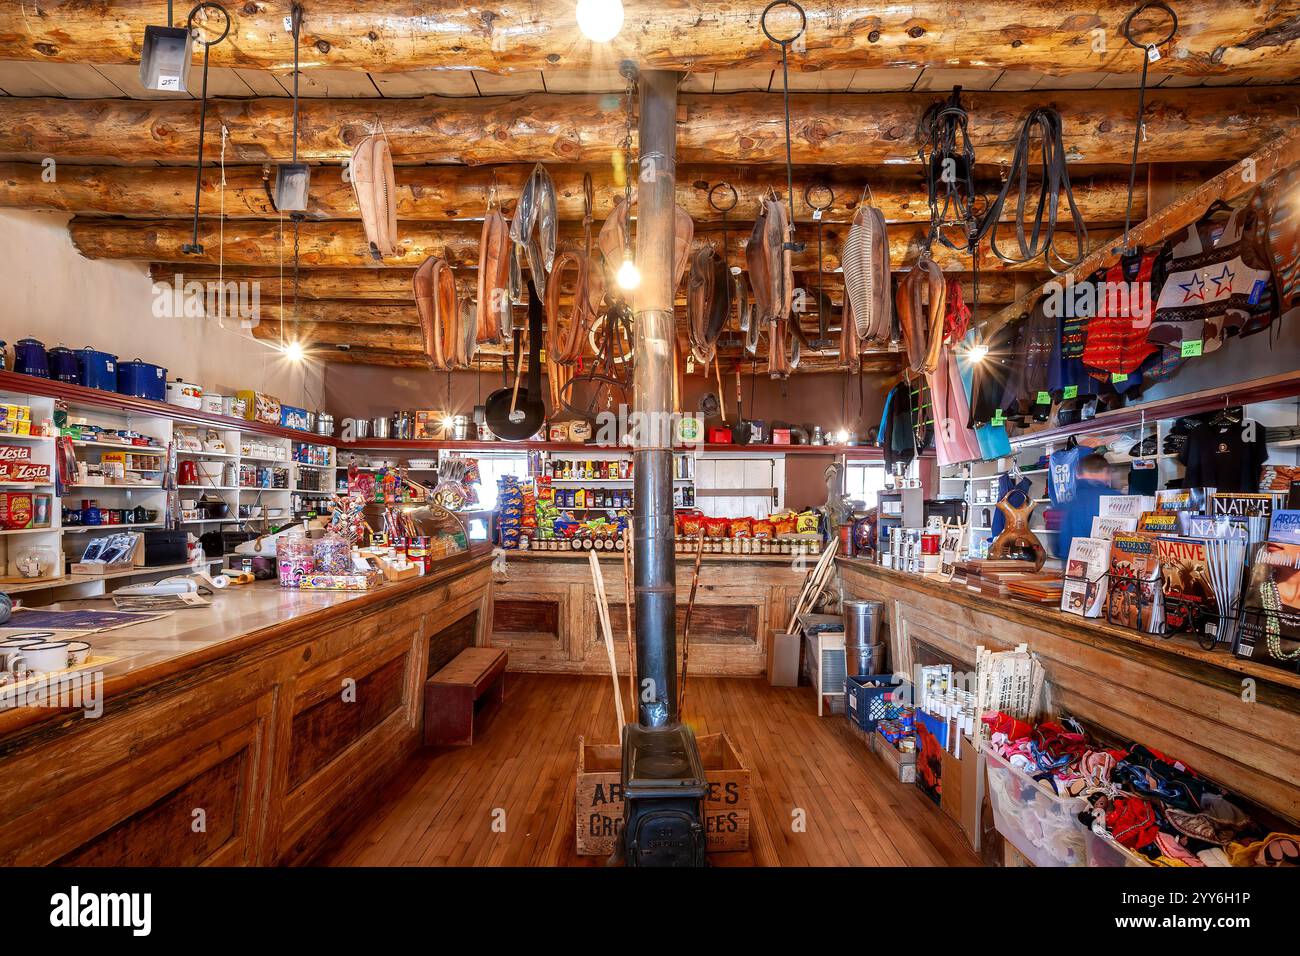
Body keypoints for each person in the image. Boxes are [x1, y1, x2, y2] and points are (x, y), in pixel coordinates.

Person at [1057, 453, 1121, 558]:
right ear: (1105, 471)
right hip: (1105, 563)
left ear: (1078, 473)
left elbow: (1060, 537)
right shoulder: (1117, 498)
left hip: (1070, 562)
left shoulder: (1066, 499)